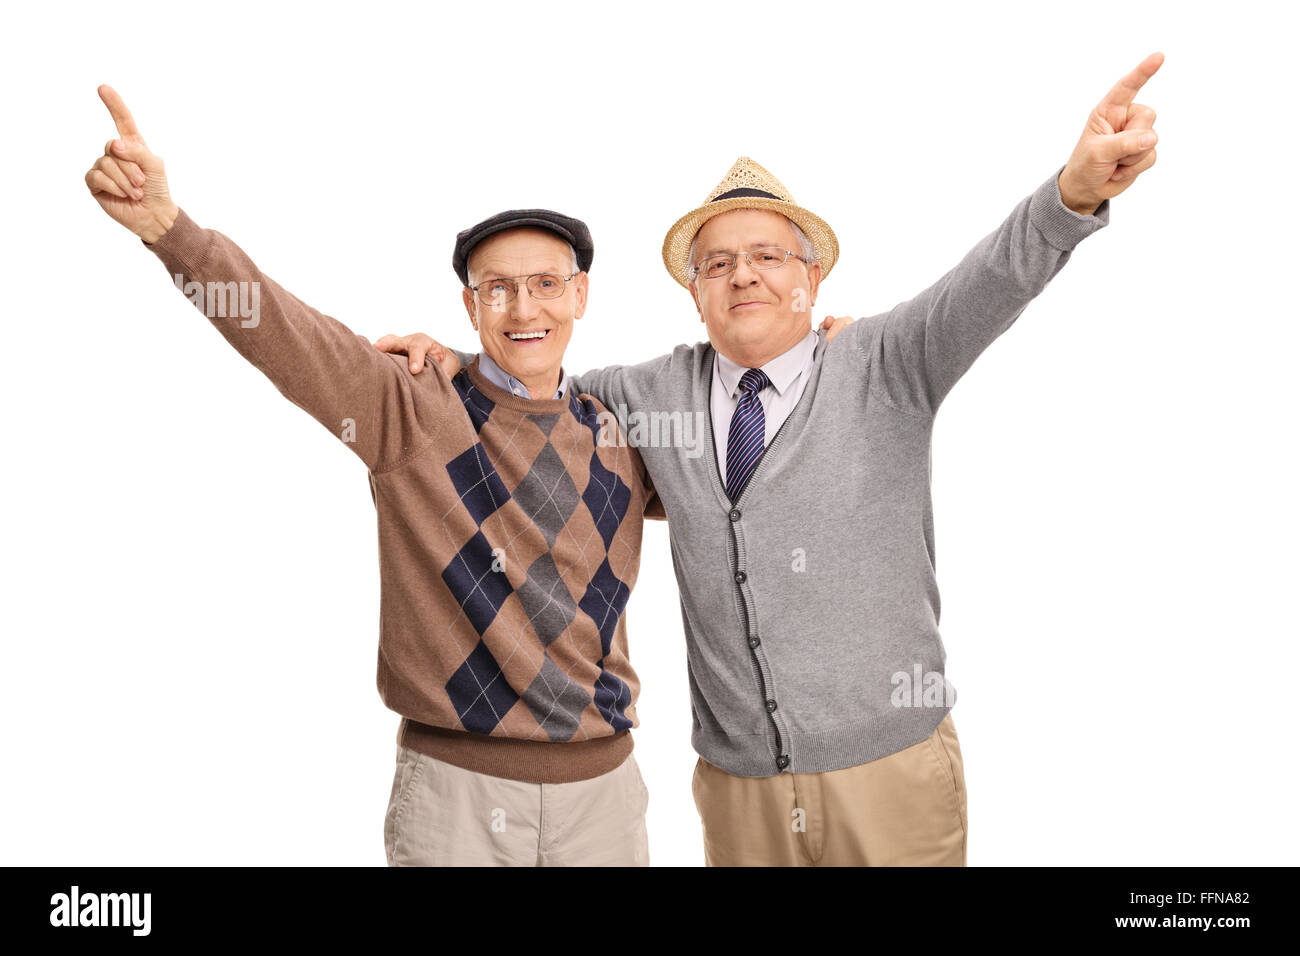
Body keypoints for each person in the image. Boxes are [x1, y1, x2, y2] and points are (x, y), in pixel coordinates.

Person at [381, 52, 1164, 866]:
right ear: (695, 292)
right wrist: (457, 365)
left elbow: (993, 278)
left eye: (767, 256)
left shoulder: (886, 364)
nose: (742, 274)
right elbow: (534, 386)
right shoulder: (641, 396)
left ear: (812, 278)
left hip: (890, 777)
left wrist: (1075, 192)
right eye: (716, 263)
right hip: (738, 789)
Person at [84, 84, 663, 866]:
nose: (523, 307)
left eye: (545, 284)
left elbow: (750, 459)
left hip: (604, 798)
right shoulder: (414, 407)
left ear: (581, 295)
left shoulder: (624, 435)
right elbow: (285, 332)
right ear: (472, 304)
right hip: (459, 790)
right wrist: (169, 231)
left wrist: (831, 348)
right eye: (498, 288)